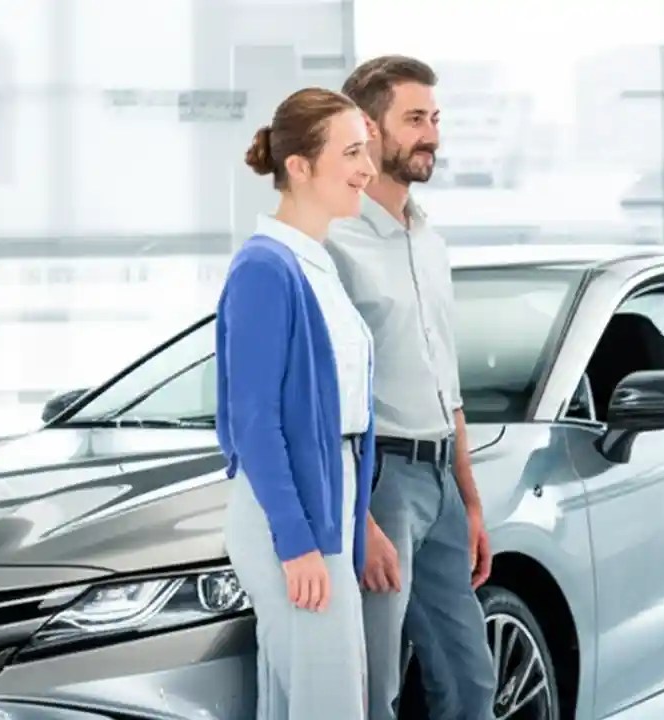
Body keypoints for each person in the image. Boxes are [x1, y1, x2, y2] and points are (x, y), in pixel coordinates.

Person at [328, 55, 497, 720]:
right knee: (375, 688)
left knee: (469, 680)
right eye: (415, 119)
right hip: (382, 482)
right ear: (367, 127)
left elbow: (446, 384)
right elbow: (326, 399)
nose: (431, 135)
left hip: (441, 482)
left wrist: (472, 500)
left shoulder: (429, 240)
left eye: (435, 119)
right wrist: (360, 519)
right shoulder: (334, 243)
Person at [215, 87, 378, 719]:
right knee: (328, 703)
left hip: (322, 505)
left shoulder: (317, 264)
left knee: (306, 702)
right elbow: (255, 422)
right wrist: (296, 542)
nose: (367, 167)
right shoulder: (266, 268)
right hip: (290, 514)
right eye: (352, 152)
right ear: (300, 167)